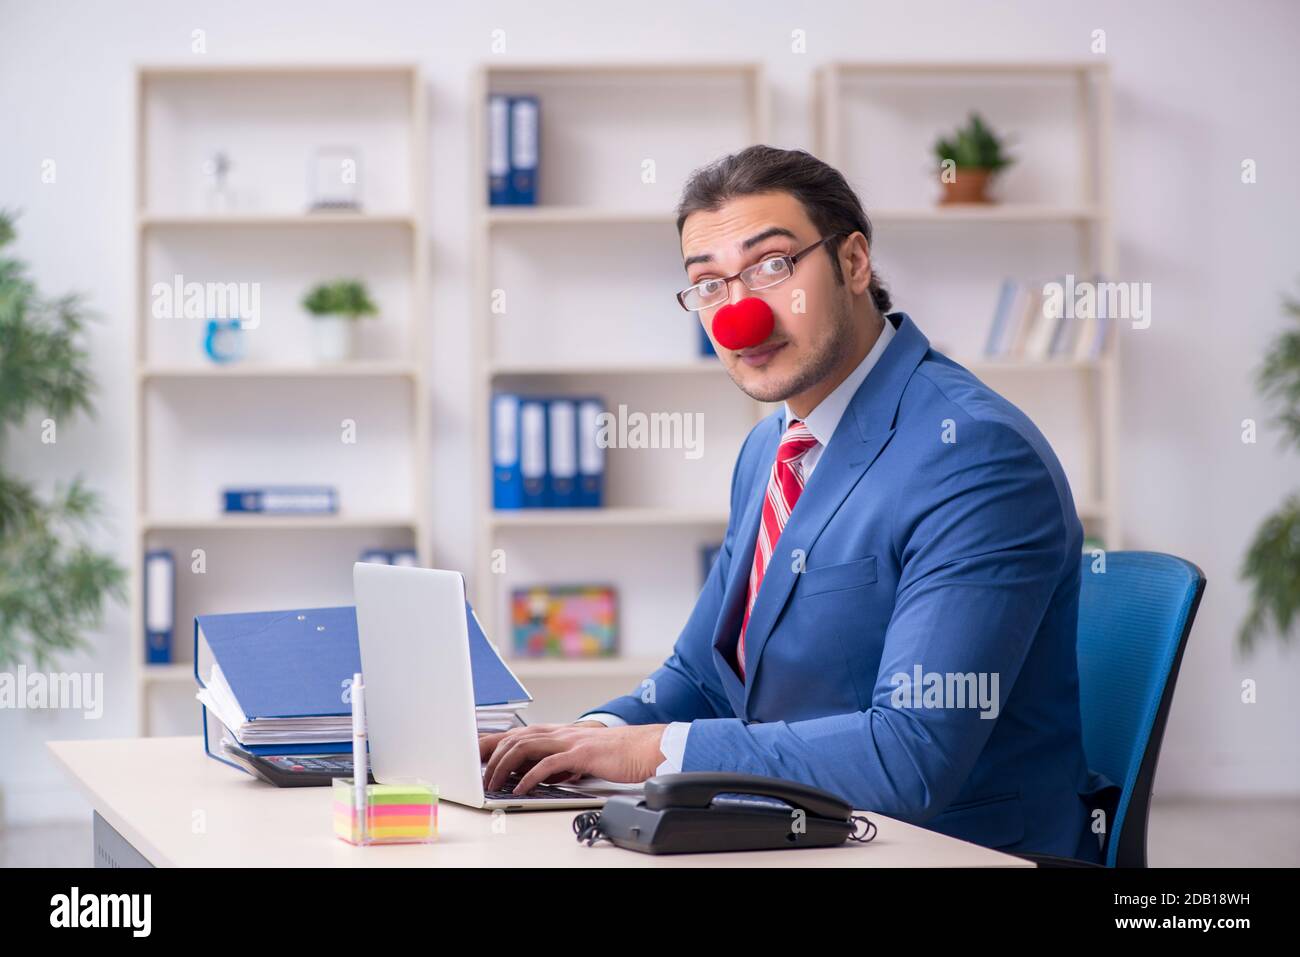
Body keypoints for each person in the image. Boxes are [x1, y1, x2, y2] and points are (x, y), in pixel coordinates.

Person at [480, 145, 1117, 861]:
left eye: (773, 267)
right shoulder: (771, 449)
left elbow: (910, 756)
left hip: (950, 848)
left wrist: (654, 749)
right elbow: (701, 676)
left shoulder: (972, 454)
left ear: (853, 264)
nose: (739, 316)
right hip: (802, 835)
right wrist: (585, 739)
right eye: (709, 285)